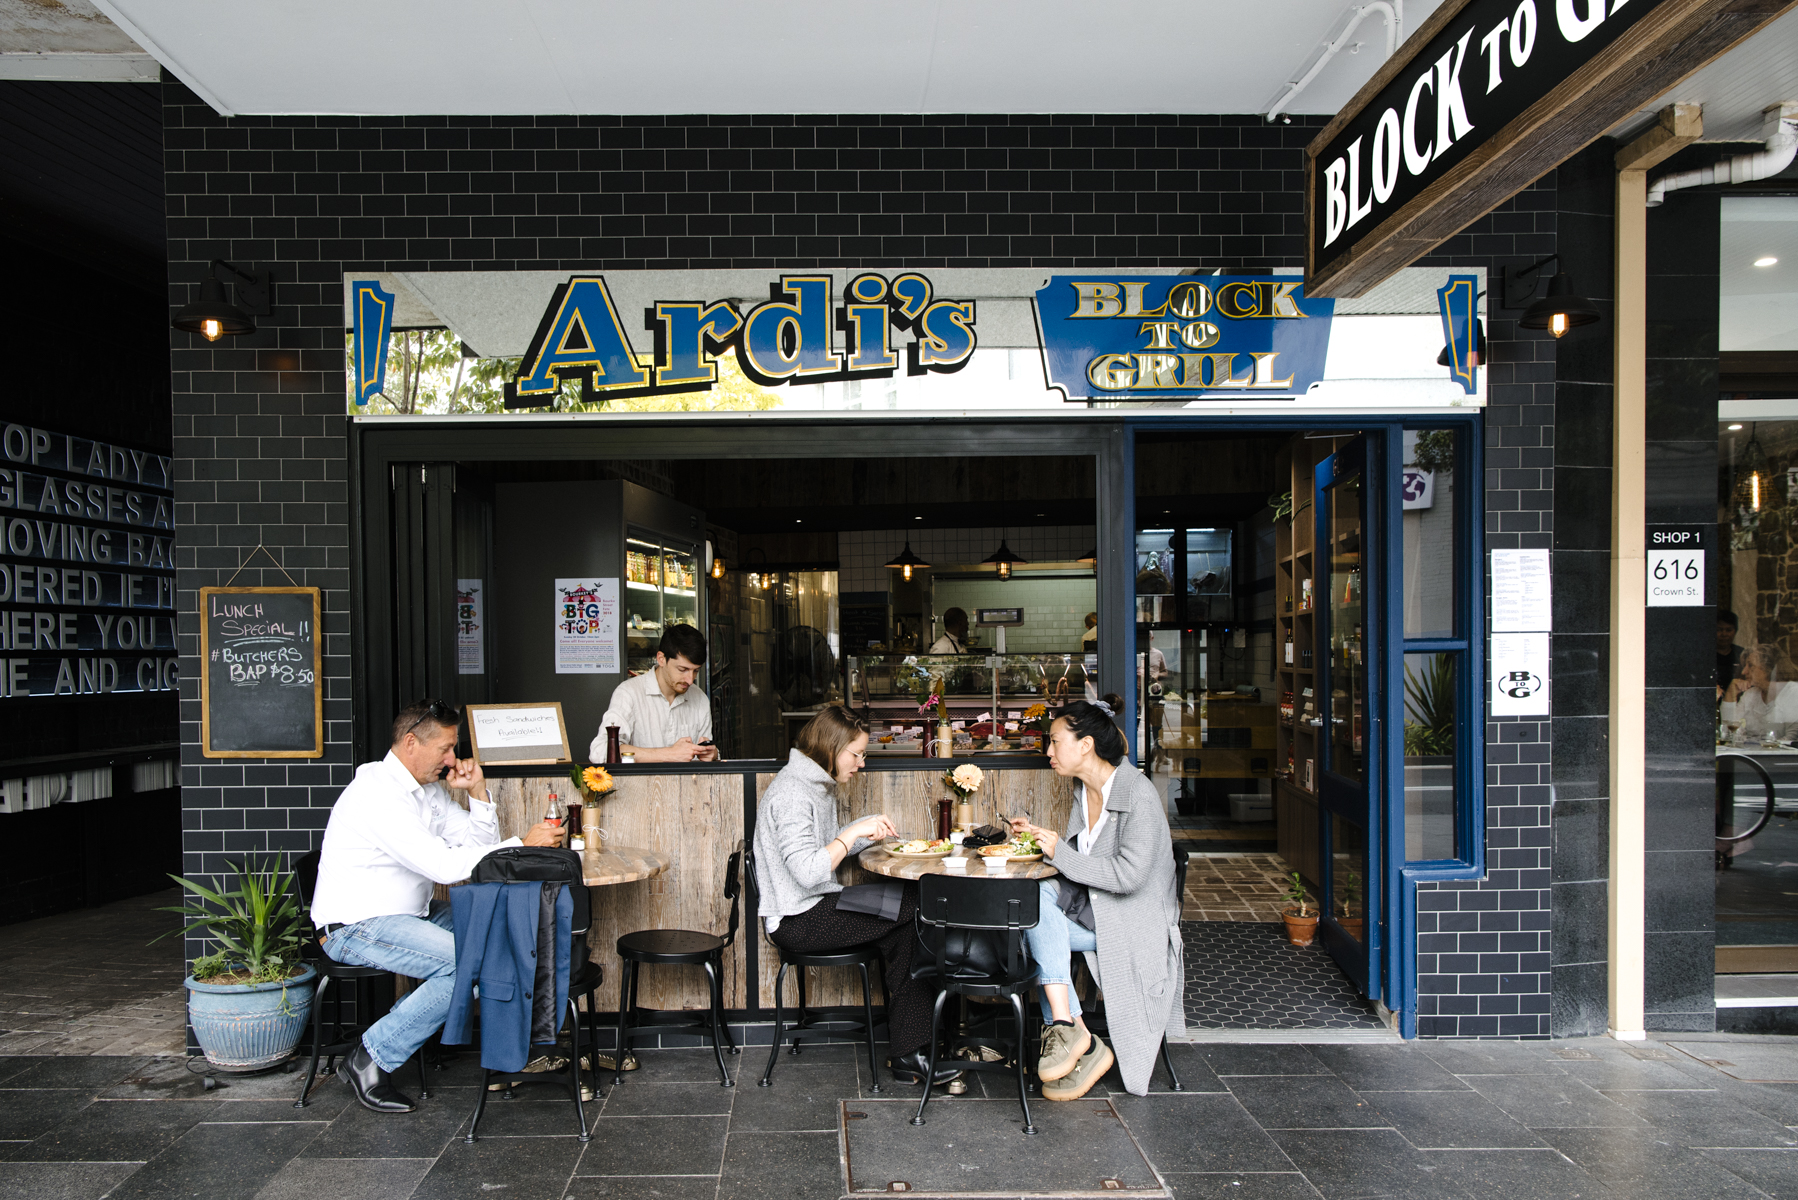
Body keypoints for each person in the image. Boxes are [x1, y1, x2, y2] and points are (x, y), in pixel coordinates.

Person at [311, 699, 565, 1113]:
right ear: (411, 742)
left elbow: (476, 845)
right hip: (356, 926)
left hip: (412, 913)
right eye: (445, 748)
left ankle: (506, 1049)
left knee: (496, 939)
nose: (453, 760)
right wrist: (523, 844)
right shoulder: (378, 795)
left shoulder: (424, 791)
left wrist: (478, 793)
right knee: (467, 965)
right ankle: (370, 1056)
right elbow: (445, 867)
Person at [752, 705, 962, 1087]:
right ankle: (929, 1039)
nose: (861, 763)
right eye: (857, 754)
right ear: (832, 748)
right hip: (797, 920)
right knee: (917, 905)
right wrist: (851, 834)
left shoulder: (813, 784)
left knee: (906, 923)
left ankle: (910, 1052)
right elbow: (809, 870)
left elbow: (822, 850)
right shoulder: (791, 795)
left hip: (814, 907)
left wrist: (864, 831)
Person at [1010, 699, 1185, 1100]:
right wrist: (1041, 838)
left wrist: (1059, 852)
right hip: (1094, 908)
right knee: (1029, 905)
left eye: (1054, 742)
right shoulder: (1084, 788)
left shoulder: (1137, 795)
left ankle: (1072, 1034)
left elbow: (1127, 877)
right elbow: (1084, 856)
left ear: (1085, 744)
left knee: (1034, 922)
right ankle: (1076, 1033)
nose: (1048, 752)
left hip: (1132, 919)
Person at [592, 624, 720, 763]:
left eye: (695, 671)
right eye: (682, 669)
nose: (690, 680)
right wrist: (668, 754)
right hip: (639, 785)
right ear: (661, 659)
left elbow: (707, 760)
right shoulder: (629, 693)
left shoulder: (699, 698)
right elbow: (601, 751)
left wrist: (711, 754)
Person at [1724, 643, 1798, 743]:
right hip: (1749, 756)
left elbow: (1792, 741)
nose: (1744, 672)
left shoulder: (1793, 692)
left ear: (1768, 668)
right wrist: (1730, 695)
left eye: (1750, 665)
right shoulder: (1749, 695)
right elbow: (1728, 733)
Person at [1718, 610, 1745, 697]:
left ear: (1735, 631)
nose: (1724, 634)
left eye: (1729, 630)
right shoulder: (1704, 654)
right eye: (1719, 630)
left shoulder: (1742, 654)